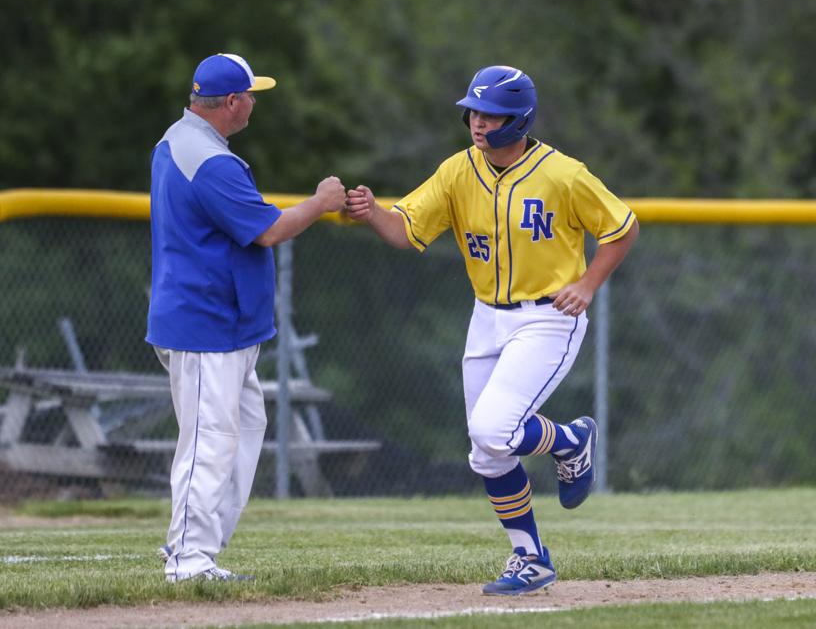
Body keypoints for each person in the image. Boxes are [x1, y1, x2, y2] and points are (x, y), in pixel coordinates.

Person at [345, 65, 638, 595]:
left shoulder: (564, 174)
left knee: (492, 430)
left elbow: (622, 227)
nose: (479, 123)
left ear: (519, 119)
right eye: (474, 112)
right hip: (486, 317)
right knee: (487, 452)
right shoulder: (459, 171)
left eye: (492, 114)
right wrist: (371, 214)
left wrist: (590, 284)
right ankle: (531, 558)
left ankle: (571, 440)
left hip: (549, 317)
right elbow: (406, 230)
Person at [147, 53, 346, 582]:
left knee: (243, 426)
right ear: (231, 102)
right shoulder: (210, 161)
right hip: (205, 323)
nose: (255, 102)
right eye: (251, 94)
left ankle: (195, 544)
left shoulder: (178, 140)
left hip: (219, 323)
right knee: (209, 438)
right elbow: (268, 231)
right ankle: (189, 558)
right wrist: (322, 201)